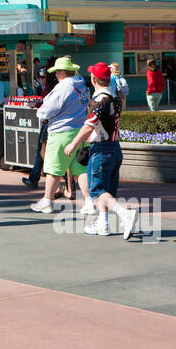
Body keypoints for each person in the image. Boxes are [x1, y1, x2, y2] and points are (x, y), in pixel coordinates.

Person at [65, 63, 140, 239]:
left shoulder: (99, 100)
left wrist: (73, 144)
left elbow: (88, 126)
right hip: (115, 147)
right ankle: (103, 223)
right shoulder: (116, 98)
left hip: (101, 149)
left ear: (93, 79)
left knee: (98, 190)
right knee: (107, 192)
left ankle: (125, 214)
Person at [30, 57, 91, 214]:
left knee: (54, 168)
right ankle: (89, 201)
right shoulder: (82, 86)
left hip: (61, 132)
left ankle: (47, 201)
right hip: (80, 131)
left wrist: (39, 112)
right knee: (80, 169)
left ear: (62, 72)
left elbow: (49, 109)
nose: (55, 75)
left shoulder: (63, 87)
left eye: (57, 72)